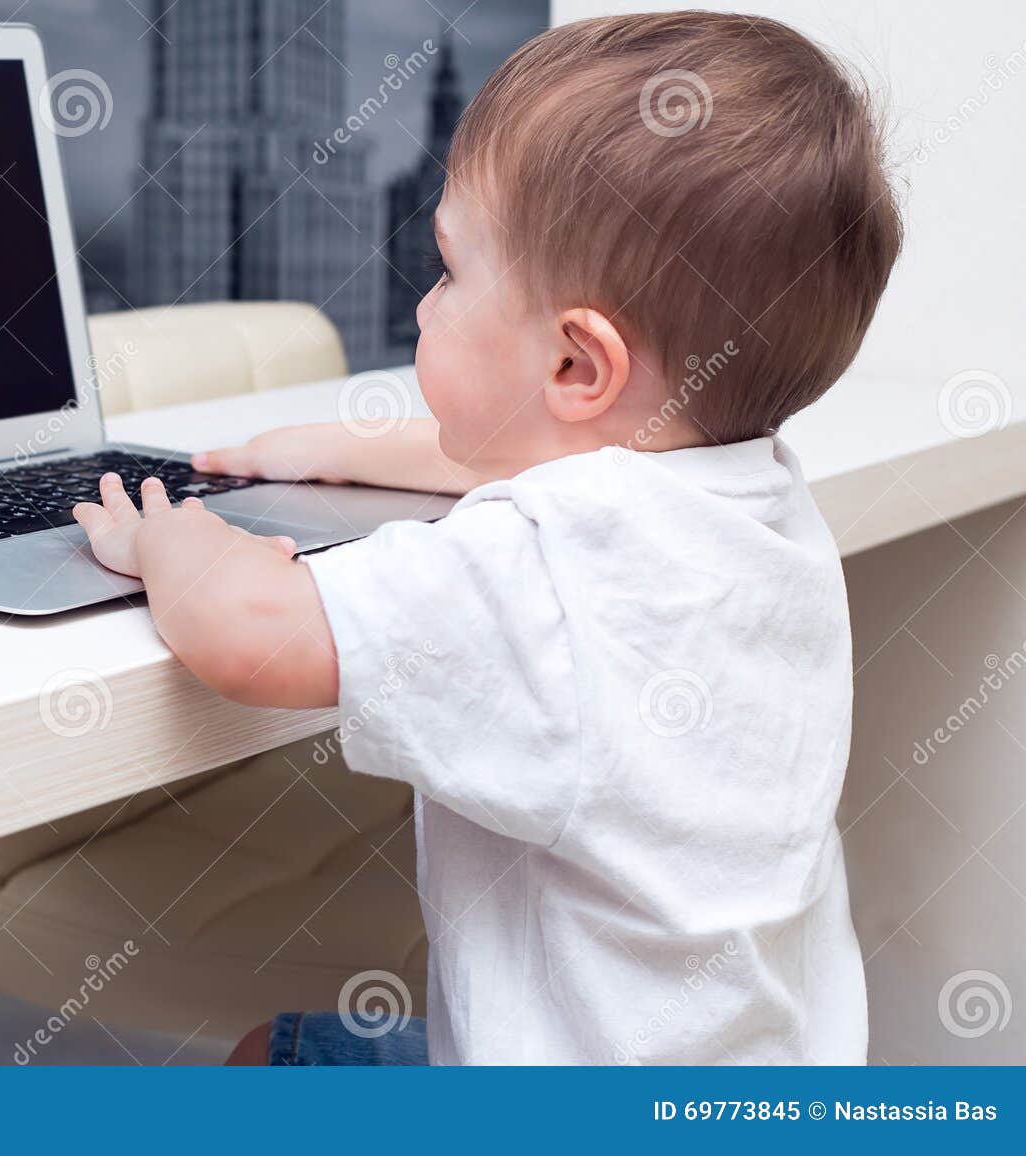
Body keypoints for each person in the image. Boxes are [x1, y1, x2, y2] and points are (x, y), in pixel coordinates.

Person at [71, 11, 902, 1064]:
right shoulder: (759, 504)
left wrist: (165, 537)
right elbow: (551, 453)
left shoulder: (536, 568)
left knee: (272, 1059)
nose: (425, 304)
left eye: (449, 271)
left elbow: (245, 632)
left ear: (574, 364)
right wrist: (332, 447)